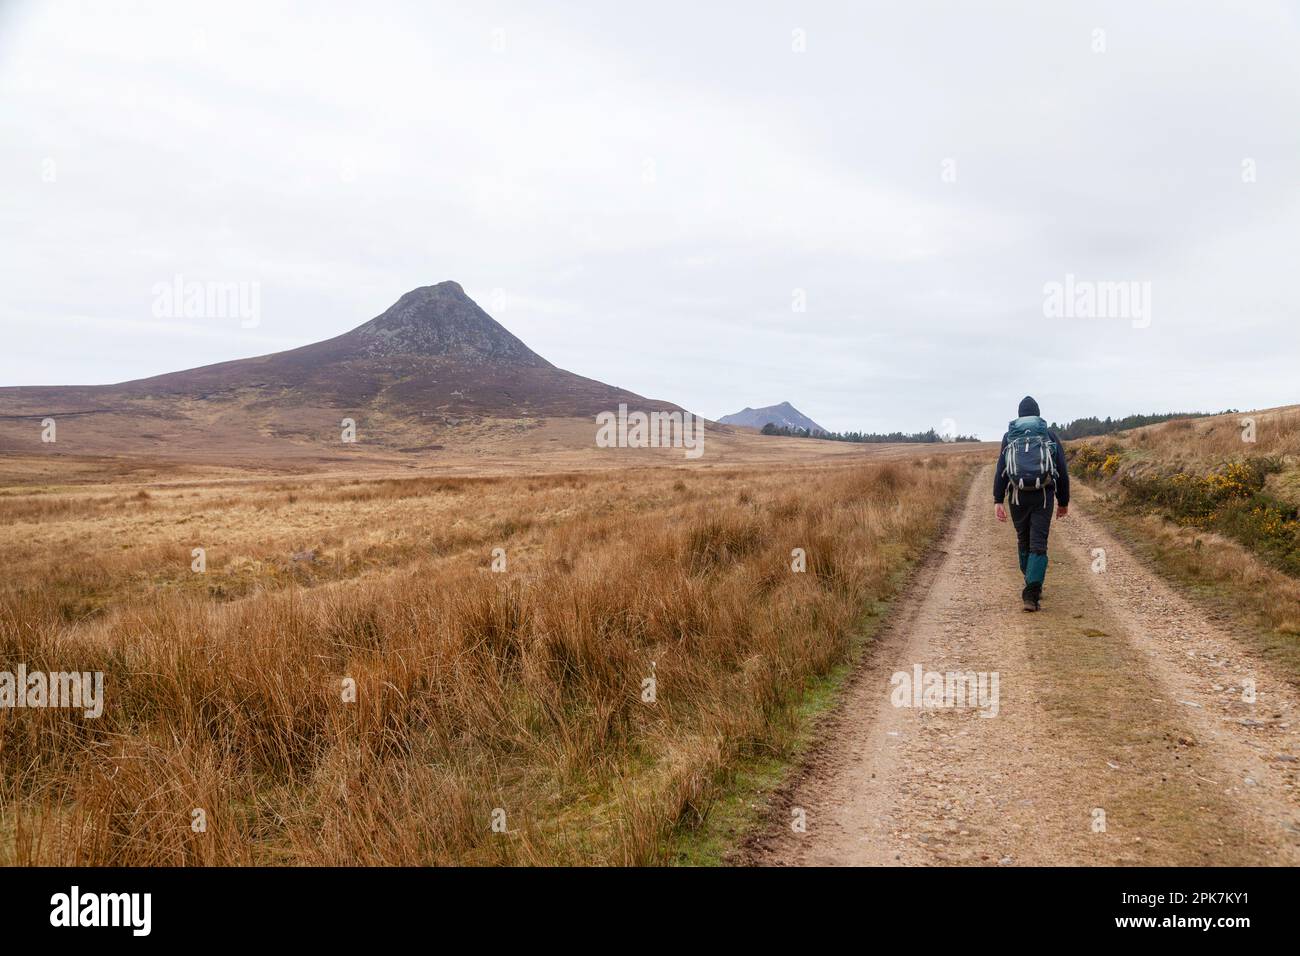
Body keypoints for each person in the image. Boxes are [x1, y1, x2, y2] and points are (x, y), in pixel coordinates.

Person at [994, 396, 1069, 611]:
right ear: (1037, 413)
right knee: (1039, 541)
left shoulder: (1010, 436)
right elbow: (1062, 470)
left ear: (1019, 415)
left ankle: (1031, 582)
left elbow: (1001, 469)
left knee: (1023, 539)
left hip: (1017, 496)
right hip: (1043, 496)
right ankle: (1032, 591)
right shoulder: (1048, 435)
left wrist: (997, 500)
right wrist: (1063, 501)